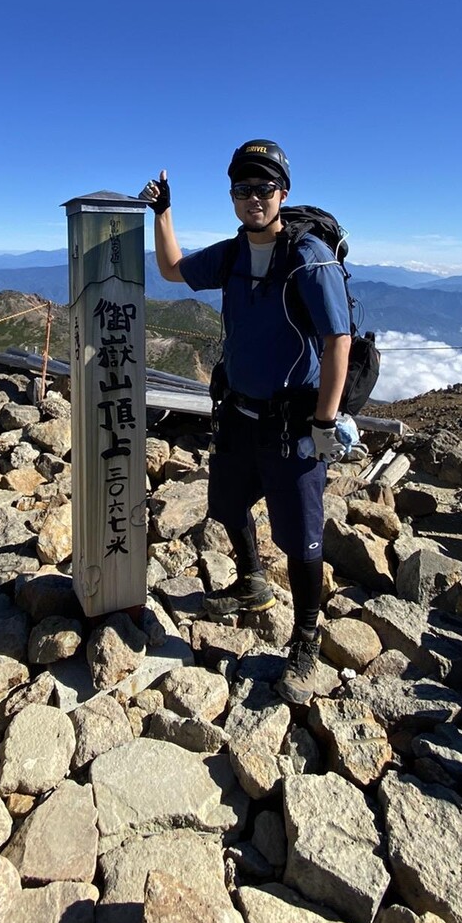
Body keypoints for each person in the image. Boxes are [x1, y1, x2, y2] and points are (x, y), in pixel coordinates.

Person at [143, 139, 352, 705]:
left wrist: (325, 421)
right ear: (233, 196)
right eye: (243, 188)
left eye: (264, 187)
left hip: (291, 425)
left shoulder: (308, 258)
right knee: (227, 506)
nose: (253, 197)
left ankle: (306, 641)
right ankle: (252, 583)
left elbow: (338, 340)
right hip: (238, 414)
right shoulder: (233, 254)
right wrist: (162, 212)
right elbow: (172, 270)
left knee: (304, 542)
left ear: (282, 193)